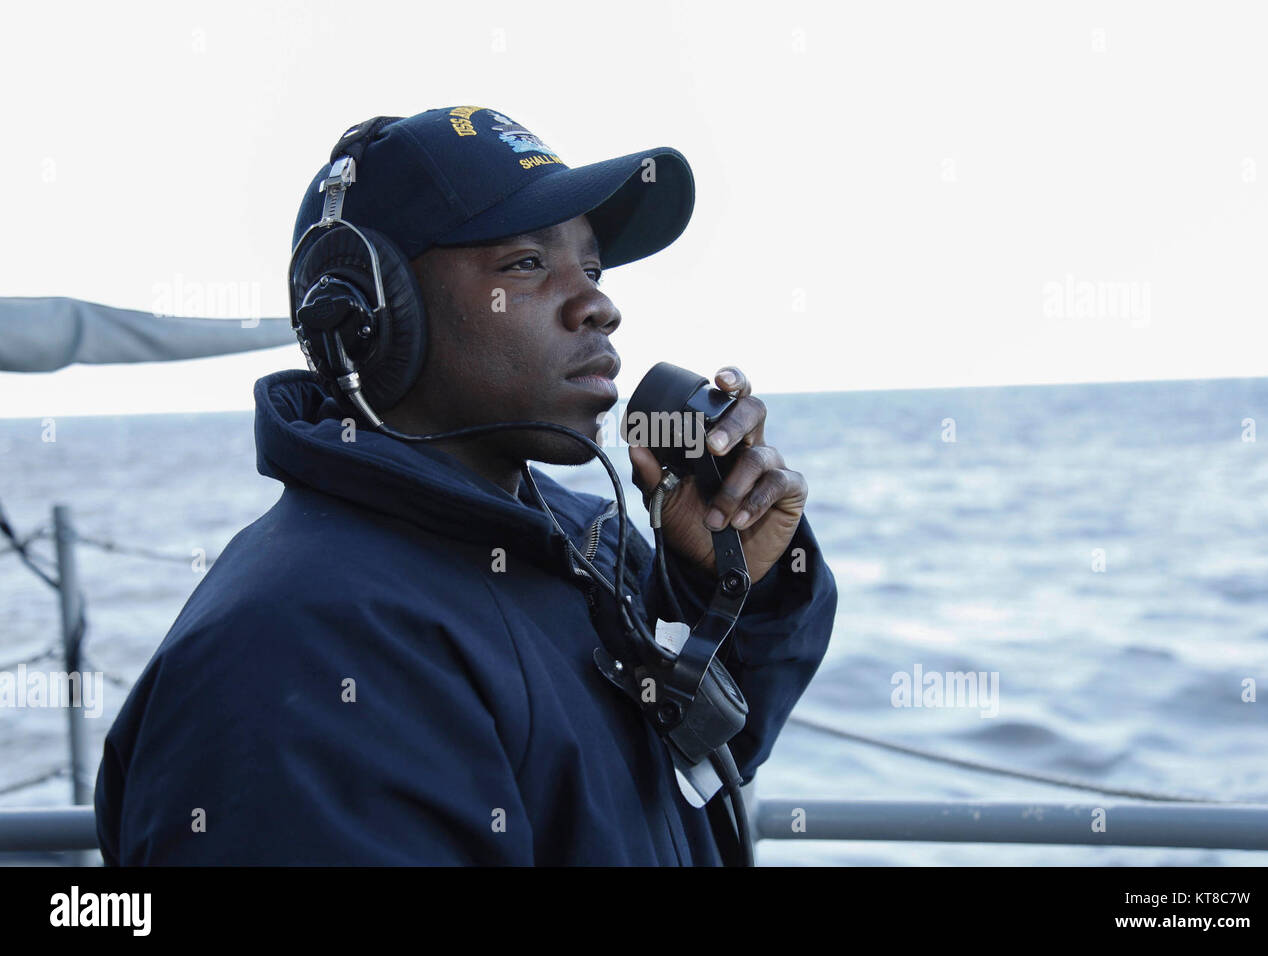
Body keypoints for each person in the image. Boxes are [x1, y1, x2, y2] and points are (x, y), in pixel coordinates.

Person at [93, 106, 837, 865]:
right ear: (369, 313)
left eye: (594, 268)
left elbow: (706, 760)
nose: (600, 305)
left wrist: (732, 581)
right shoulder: (303, 650)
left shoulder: (583, 542)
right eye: (526, 263)